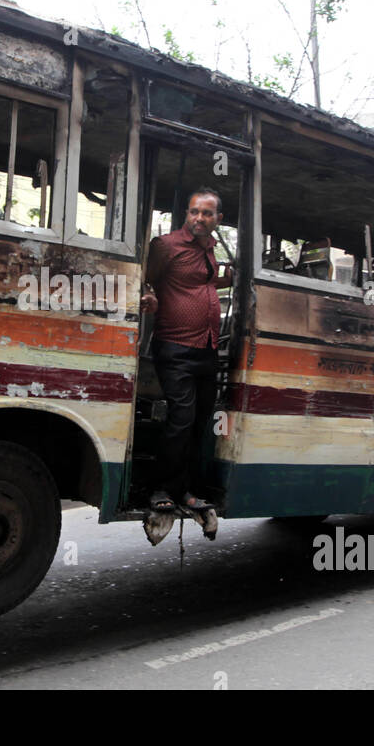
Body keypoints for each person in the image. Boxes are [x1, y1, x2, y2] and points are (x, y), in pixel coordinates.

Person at [140, 189, 233, 522]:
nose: (199, 218)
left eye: (206, 214)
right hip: (175, 345)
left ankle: (187, 491)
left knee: (199, 422)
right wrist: (149, 297)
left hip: (206, 347)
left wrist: (227, 278)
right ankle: (161, 489)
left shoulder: (210, 249)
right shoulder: (166, 246)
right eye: (194, 212)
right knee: (181, 416)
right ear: (187, 214)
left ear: (217, 220)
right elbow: (145, 279)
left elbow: (198, 285)